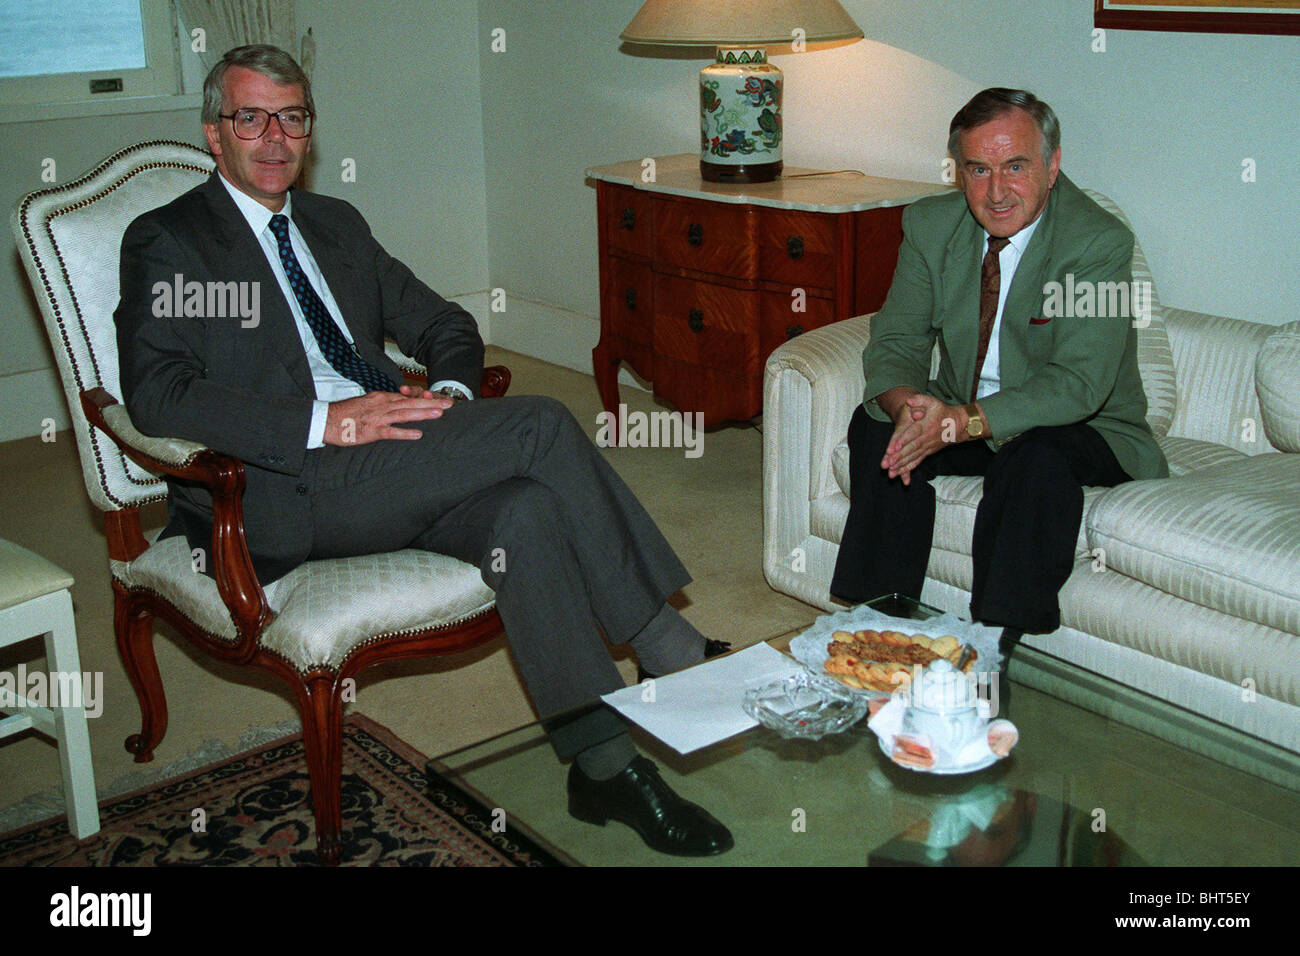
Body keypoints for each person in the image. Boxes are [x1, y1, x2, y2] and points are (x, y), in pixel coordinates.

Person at [114, 44, 731, 856]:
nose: (273, 137)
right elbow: (160, 392)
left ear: (309, 131)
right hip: (281, 483)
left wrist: (450, 399)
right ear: (213, 134)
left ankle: (603, 766)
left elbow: (447, 324)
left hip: (393, 455)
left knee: (529, 511)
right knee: (542, 424)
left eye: (292, 117)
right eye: (250, 117)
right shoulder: (170, 241)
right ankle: (669, 649)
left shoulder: (335, 226)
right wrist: (324, 422)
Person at [830, 88, 1168, 709]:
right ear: (960, 170)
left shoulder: (1097, 244)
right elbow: (895, 341)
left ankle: (990, 649)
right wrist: (913, 410)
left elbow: (1079, 384)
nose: (996, 191)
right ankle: (885, 630)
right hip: (966, 414)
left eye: (1016, 166)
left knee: (1033, 458)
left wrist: (961, 422)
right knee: (879, 427)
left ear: (1053, 165)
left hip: (1083, 428)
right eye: (978, 169)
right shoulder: (932, 225)